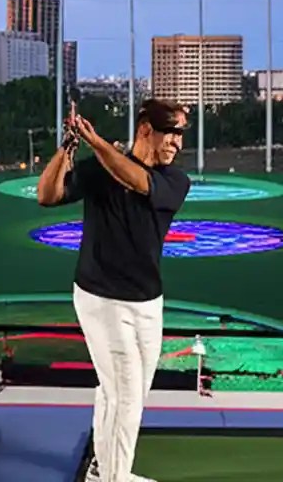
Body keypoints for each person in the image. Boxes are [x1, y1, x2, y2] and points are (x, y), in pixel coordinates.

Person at [37, 99, 192, 482]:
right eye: (171, 131)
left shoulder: (174, 181)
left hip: (148, 303)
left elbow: (135, 180)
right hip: (100, 298)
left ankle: (102, 469)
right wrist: (68, 147)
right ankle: (114, 478)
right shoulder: (100, 171)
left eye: (181, 134)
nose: (177, 142)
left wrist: (96, 141)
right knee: (125, 395)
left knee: (122, 393)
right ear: (145, 130)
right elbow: (48, 195)